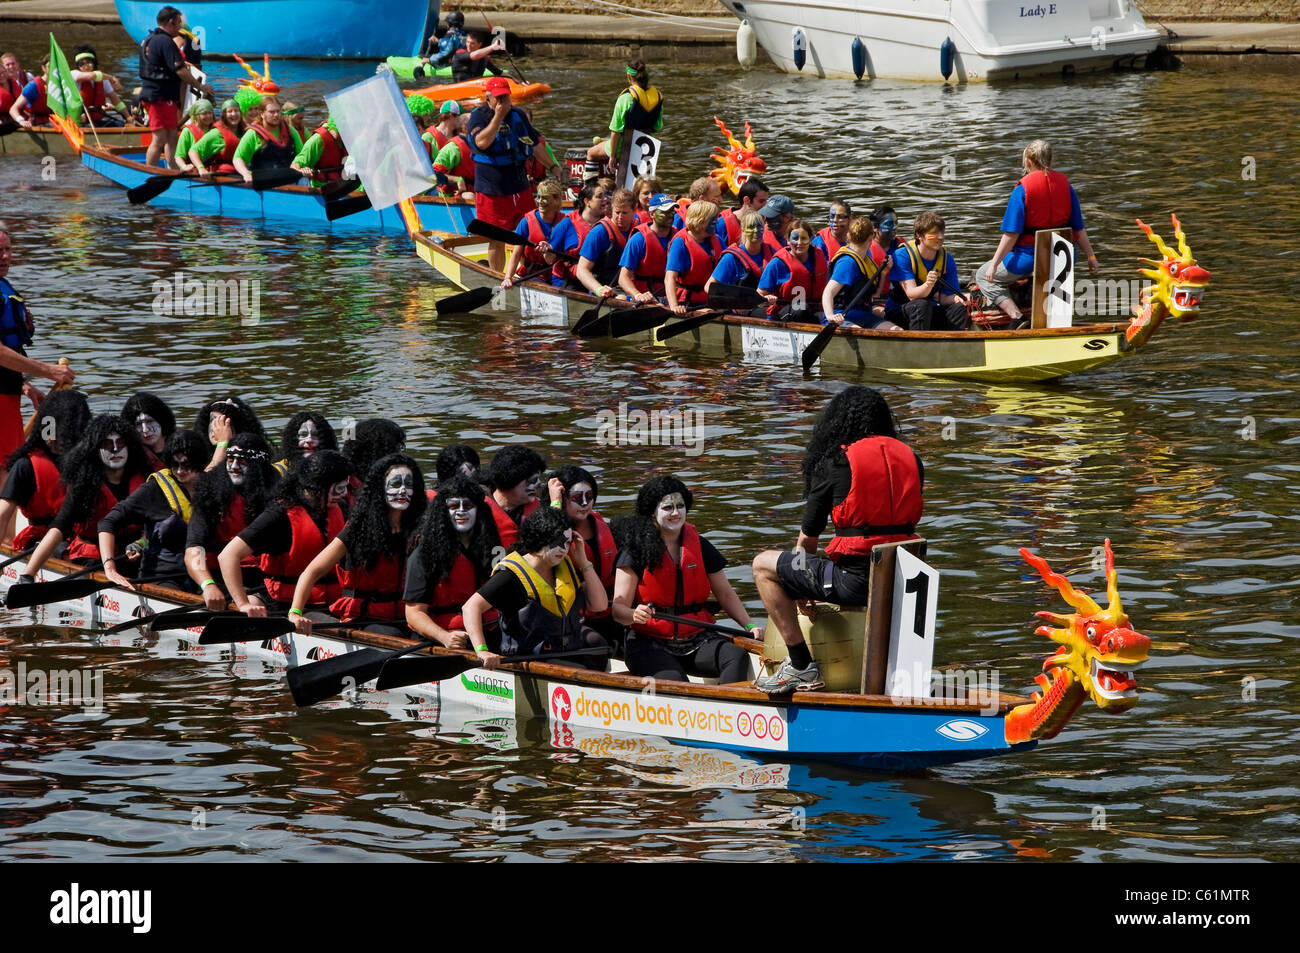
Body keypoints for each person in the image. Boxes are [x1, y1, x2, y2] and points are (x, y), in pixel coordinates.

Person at [751, 387, 922, 693]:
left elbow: (808, 540)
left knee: (762, 565)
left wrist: (797, 585)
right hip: (905, 581)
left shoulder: (837, 461)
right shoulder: (912, 458)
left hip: (855, 583)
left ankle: (801, 666)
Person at [612, 476, 761, 685]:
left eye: (680, 506)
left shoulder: (700, 546)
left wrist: (750, 625)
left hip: (697, 637)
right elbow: (618, 610)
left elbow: (725, 593)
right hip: (648, 642)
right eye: (667, 508)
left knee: (736, 656)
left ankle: (727, 710)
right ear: (652, 512)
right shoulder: (635, 551)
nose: (675, 513)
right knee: (675, 680)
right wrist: (633, 614)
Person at [289, 453, 427, 636]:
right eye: (395, 484)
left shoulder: (421, 527)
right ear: (380, 488)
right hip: (363, 619)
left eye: (408, 485)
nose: (402, 490)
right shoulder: (358, 527)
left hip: (404, 616)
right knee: (392, 634)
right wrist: (295, 613)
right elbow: (312, 571)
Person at [461, 507, 610, 671]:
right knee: (580, 668)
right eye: (557, 541)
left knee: (598, 643)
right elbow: (470, 607)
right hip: (529, 657)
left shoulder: (564, 567)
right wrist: (482, 651)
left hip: (565, 651)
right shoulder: (510, 575)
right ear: (540, 538)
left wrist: (584, 564)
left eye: (567, 542)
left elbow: (599, 605)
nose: (563, 548)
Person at [978, 139, 1099, 327]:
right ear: (1050, 160)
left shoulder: (1022, 190)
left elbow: (1011, 235)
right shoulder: (1066, 186)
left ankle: (1017, 317)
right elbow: (1079, 229)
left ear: (1027, 162)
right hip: (1062, 258)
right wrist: (1091, 257)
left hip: (1030, 258)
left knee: (982, 275)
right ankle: (1055, 321)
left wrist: (994, 264)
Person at [218, 449, 351, 617]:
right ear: (318, 487)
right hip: (281, 603)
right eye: (339, 489)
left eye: (345, 488)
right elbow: (228, 556)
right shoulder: (280, 515)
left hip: (330, 602)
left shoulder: (341, 509)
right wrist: (243, 604)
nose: (344, 494)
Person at [21, 414, 153, 578]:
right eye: (107, 444)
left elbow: (157, 522)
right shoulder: (84, 486)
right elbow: (59, 528)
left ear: (130, 447)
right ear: (95, 450)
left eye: (120, 443)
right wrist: (29, 573)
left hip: (134, 552)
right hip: (92, 557)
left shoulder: (146, 478)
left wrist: (142, 542)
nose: (115, 450)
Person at [0, 225, 78, 466]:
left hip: (8, 391)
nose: (5, 256)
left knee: (9, 464)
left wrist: (25, 386)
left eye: (8, 249)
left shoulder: (3, 286)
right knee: (6, 470)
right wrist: (48, 371)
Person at [98, 429, 211, 590]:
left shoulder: (212, 487)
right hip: (162, 578)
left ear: (199, 463)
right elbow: (107, 523)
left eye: (186, 465)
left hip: (204, 575)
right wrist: (110, 569)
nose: (179, 471)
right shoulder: (155, 489)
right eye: (175, 465)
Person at [466, 76, 558, 272]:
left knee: (530, 230)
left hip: (518, 182)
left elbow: (534, 146)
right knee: (497, 237)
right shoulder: (478, 116)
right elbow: (481, 143)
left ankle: (526, 272)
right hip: (491, 186)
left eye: (505, 97)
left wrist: (554, 168)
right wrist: (497, 117)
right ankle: (497, 275)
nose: (502, 102)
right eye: (498, 98)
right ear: (488, 98)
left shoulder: (518, 115)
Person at [403, 473, 502, 649]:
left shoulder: (494, 550)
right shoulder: (423, 554)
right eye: (454, 505)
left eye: (468, 505)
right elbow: (413, 613)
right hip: (442, 638)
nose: (461, 510)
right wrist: (444, 637)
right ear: (443, 511)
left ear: (479, 510)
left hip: (488, 632)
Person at [184, 432, 278, 609]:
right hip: (218, 579)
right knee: (253, 602)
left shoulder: (276, 495)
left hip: (263, 580)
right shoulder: (210, 497)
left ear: (258, 465)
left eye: (242, 461)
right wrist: (207, 585)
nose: (234, 466)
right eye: (230, 459)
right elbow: (194, 550)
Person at [0, 389, 90, 548]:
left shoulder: (90, 461)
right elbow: (2, 516)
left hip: (81, 540)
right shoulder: (25, 467)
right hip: (41, 541)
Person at [548, 466, 622, 651]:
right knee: (597, 643)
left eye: (589, 497)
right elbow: (548, 540)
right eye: (575, 498)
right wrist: (556, 503)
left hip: (607, 608)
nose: (584, 503)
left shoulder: (598, 523)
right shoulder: (551, 526)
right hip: (572, 616)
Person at [139, 5, 215, 168]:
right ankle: (150, 171)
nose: (180, 27)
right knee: (159, 138)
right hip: (158, 97)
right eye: (179, 23)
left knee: (172, 135)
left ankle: (173, 168)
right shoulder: (165, 41)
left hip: (163, 96)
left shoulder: (150, 38)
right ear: (171, 22)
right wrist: (201, 88)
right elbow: (180, 70)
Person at [890, 211, 972, 331]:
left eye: (942, 232)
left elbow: (944, 299)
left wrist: (960, 298)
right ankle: (918, 345)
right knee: (921, 305)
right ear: (919, 235)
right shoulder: (902, 255)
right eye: (934, 233)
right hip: (901, 311)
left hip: (929, 311)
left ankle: (952, 343)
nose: (941, 237)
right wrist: (928, 284)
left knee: (959, 308)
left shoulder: (947, 259)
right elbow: (912, 295)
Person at [586, 59, 663, 178]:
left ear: (629, 77)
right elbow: (657, 126)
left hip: (623, 146)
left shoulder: (625, 98)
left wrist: (612, 156)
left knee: (591, 153)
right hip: (646, 146)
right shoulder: (658, 96)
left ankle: (589, 188)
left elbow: (616, 131)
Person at [823, 217, 895, 330]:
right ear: (871, 237)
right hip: (842, 315)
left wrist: (884, 272)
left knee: (897, 331)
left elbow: (874, 295)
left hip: (863, 314)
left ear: (849, 235)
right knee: (860, 333)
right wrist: (830, 316)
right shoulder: (847, 263)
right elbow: (828, 292)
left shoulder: (866, 260)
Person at [758, 218, 828, 322]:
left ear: (810, 239)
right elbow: (760, 292)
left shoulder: (818, 257)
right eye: (795, 238)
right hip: (783, 313)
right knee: (801, 309)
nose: (800, 243)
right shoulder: (777, 263)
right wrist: (767, 298)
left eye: (804, 238)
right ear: (787, 240)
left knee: (827, 315)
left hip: (812, 309)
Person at [574, 187, 637, 299]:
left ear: (634, 210)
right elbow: (581, 270)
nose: (620, 217)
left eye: (625, 213)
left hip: (631, 287)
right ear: (611, 210)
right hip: (607, 290)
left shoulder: (638, 230)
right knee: (622, 298)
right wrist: (599, 289)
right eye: (617, 212)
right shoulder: (598, 233)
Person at [501, 178, 564, 287]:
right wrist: (508, 278)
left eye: (544, 198)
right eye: (538, 197)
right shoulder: (526, 222)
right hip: (534, 274)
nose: (539, 201)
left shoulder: (565, 222)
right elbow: (516, 255)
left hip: (558, 273)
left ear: (556, 200)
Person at [663, 200, 721, 314]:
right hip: (686, 303)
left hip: (711, 301)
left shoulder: (717, 239)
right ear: (700, 221)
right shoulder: (680, 243)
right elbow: (669, 278)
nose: (717, 222)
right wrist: (675, 306)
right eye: (713, 219)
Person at [618, 191, 677, 302]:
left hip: (672, 299)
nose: (670, 214)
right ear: (652, 214)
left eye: (672, 210)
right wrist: (638, 295)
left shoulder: (679, 238)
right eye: (665, 211)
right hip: (646, 299)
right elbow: (623, 278)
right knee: (621, 297)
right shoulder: (638, 240)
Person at [546, 183, 607, 288]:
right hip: (569, 280)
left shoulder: (609, 222)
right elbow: (549, 259)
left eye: (604, 196)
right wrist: (546, 250)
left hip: (599, 279)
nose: (605, 199)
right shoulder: (566, 224)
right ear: (587, 201)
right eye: (599, 197)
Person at [483, 445, 545, 547]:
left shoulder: (539, 509)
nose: (538, 484)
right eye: (532, 480)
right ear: (510, 479)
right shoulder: (474, 508)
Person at [232, 97, 303, 185]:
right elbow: (238, 159)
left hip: (289, 180)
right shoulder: (253, 134)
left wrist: (300, 165)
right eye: (271, 112)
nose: (276, 115)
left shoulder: (291, 131)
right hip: (263, 182)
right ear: (262, 114)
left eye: (278, 111)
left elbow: (302, 155)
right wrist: (246, 174)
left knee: (305, 180)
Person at [706, 209, 774, 300]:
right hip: (741, 308)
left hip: (767, 305)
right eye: (751, 227)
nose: (756, 230)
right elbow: (708, 287)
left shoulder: (773, 253)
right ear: (743, 230)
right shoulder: (731, 258)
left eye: (759, 226)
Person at [71, 46, 130, 127]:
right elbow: (91, 76)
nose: (86, 66)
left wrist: (128, 116)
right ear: (78, 66)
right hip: (79, 120)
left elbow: (115, 99)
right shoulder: (74, 74)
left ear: (94, 63)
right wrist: (111, 78)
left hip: (97, 119)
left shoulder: (102, 78)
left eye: (88, 62)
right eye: (82, 64)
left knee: (119, 124)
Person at [188, 98, 245, 176]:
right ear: (224, 115)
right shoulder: (216, 134)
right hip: (225, 175)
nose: (234, 114)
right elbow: (193, 152)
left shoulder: (246, 131)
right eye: (229, 111)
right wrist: (201, 168)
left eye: (236, 111)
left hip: (243, 172)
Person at [121, 391, 175, 470]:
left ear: (162, 421)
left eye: (150, 421)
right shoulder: (130, 458)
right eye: (138, 424)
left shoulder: (181, 446)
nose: (145, 430)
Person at [274, 411, 337, 476]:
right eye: (303, 435)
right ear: (292, 440)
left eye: (315, 435)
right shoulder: (277, 471)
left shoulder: (336, 468)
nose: (309, 440)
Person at [290, 116, 347, 188]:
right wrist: (302, 170)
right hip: (321, 187)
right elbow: (294, 166)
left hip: (344, 184)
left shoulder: (354, 138)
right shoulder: (318, 139)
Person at [714, 176, 770, 247]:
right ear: (746, 200)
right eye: (761, 201)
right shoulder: (721, 224)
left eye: (766, 201)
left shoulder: (766, 221)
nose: (765, 205)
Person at [430, 113, 476, 198]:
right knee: (469, 196)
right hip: (454, 195)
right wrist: (457, 180)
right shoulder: (453, 148)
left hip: (476, 190)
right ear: (465, 128)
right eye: (475, 125)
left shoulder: (479, 144)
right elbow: (433, 174)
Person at [7, 55, 52, 129]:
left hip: (56, 123)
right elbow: (13, 109)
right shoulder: (33, 86)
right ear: (43, 68)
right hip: (38, 125)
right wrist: (21, 121)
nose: (54, 70)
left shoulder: (61, 86)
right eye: (50, 66)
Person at [174, 99, 215, 173]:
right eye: (204, 114)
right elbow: (178, 157)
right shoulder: (187, 132)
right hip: (195, 171)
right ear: (196, 116)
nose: (208, 116)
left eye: (210, 113)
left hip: (213, 170)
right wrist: (184, 167)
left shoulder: (216, 130)